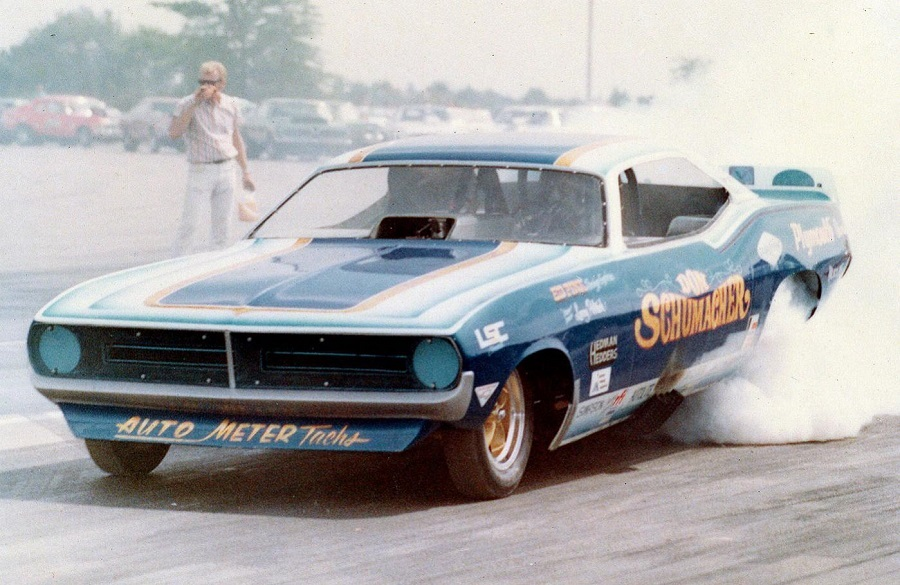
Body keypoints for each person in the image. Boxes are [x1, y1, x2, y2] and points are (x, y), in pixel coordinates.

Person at [169, 61, 255, 255]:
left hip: (226, 167)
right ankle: (178, 262)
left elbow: (236, 138)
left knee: (222, 226)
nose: (205, 87)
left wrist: (246, 171)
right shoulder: (186, 103)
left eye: (210, 83)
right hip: (201, 169)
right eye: (202, 82)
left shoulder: (231, 105)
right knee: (190, 223)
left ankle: (216, 261)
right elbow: (174, 132)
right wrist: (195, 103)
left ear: (221, 84)